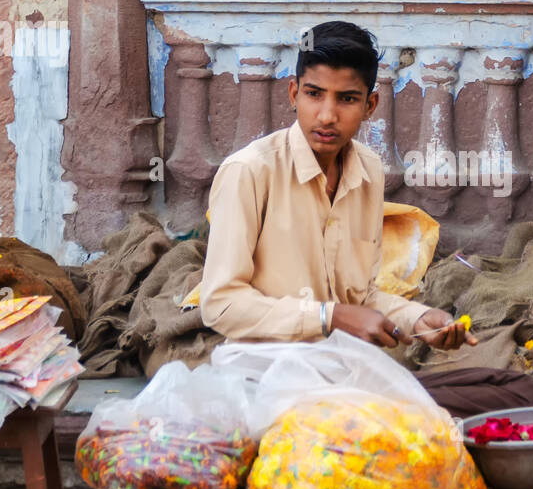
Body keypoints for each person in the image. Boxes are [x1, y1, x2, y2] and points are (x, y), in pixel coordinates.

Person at [199, 21, 476, 351]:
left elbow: (359, 298)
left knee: (504, 390)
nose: (327, 116)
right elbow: (220, 305)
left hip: (343, 361)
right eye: (314, 94)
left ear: (369, 106)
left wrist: (416, 318)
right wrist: (328, 317)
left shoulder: (368, 171)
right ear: (293, 94)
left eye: (346, 99)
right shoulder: (250, 171)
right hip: (264, 367)